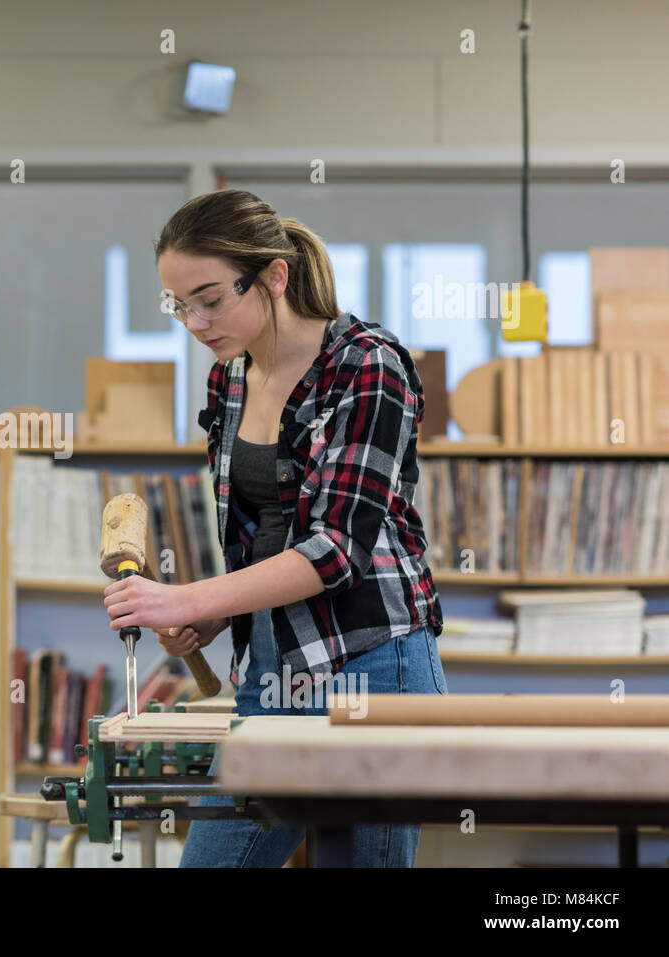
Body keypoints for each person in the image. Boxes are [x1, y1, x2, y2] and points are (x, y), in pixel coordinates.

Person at [102, 188, 447, 867]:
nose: (195, 321)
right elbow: (261, 535)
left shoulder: (368, 364)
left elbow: (338, 548)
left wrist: (188, 598)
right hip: (271, 668)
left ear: (274, 277)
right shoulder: (228, 381)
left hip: (373, 664)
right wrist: (209, 620)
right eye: (179, 305)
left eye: (211, 297)